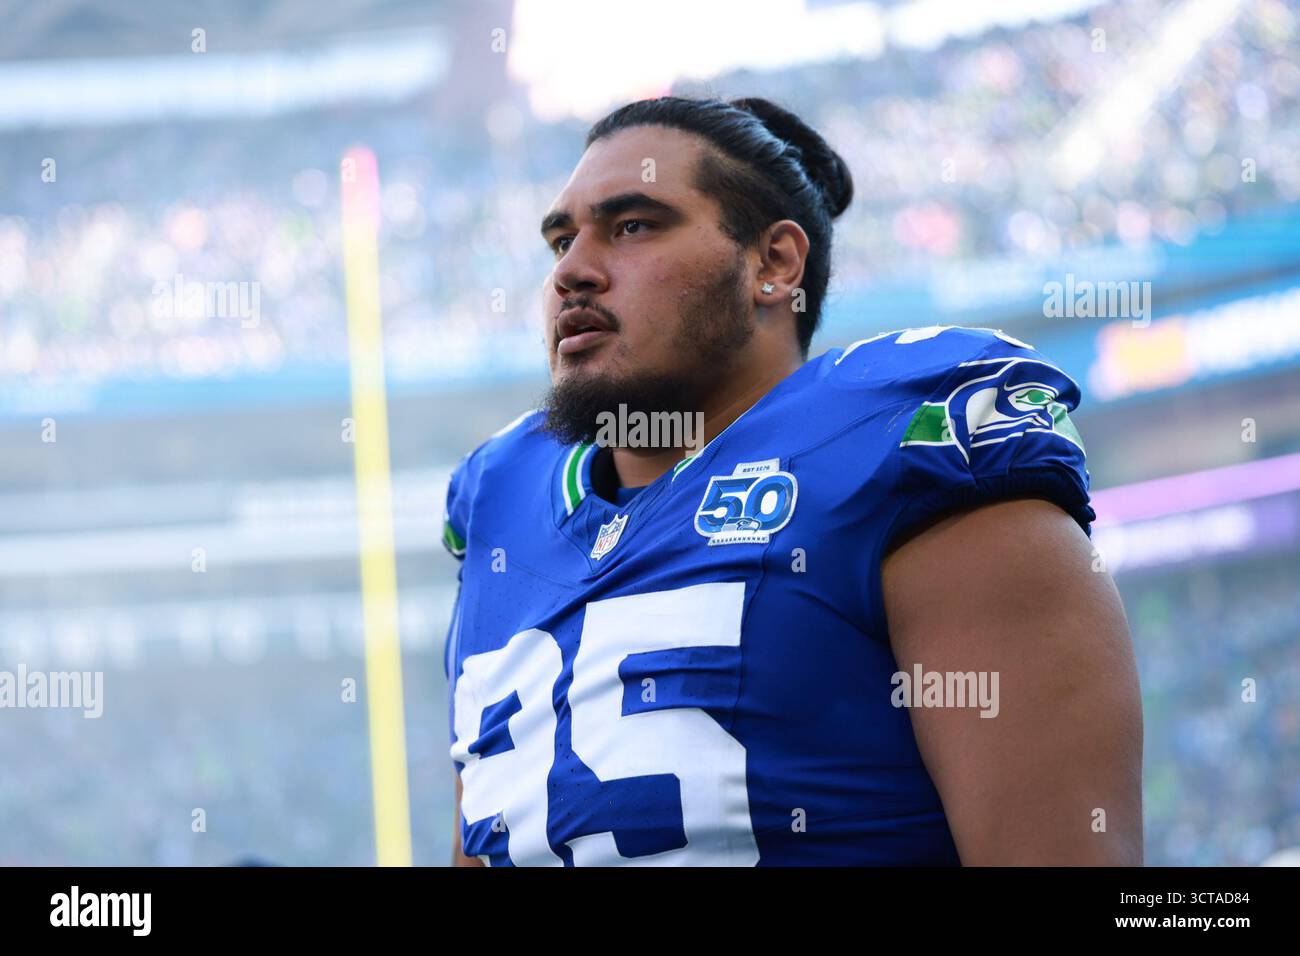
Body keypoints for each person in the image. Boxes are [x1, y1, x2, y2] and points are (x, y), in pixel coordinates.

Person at [440, 95, 1143, 866]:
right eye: (561, 240)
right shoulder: (499, 503)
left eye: (633, 225)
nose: (573, 270)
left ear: (773, 264)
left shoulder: (900, 439)